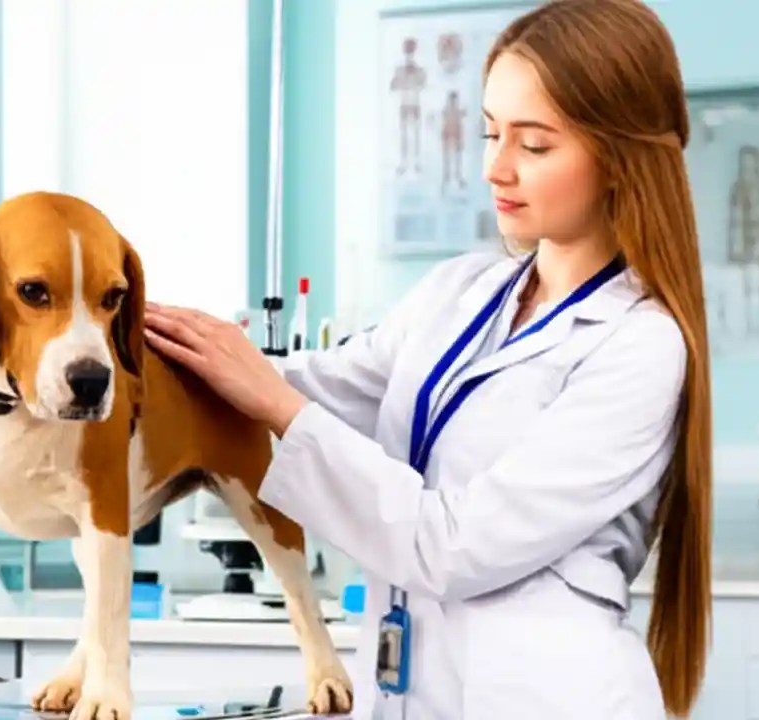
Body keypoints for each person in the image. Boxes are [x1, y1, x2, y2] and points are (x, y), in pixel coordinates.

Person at [143, 1, 712, 718]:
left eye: (534, 145)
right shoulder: (461, 292)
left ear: (618, 160)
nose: (496, 167)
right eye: (489, 132)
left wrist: (276, 402)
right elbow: (318, 390)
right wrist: (153, 359)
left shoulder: (639, 346)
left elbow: (453, 547)